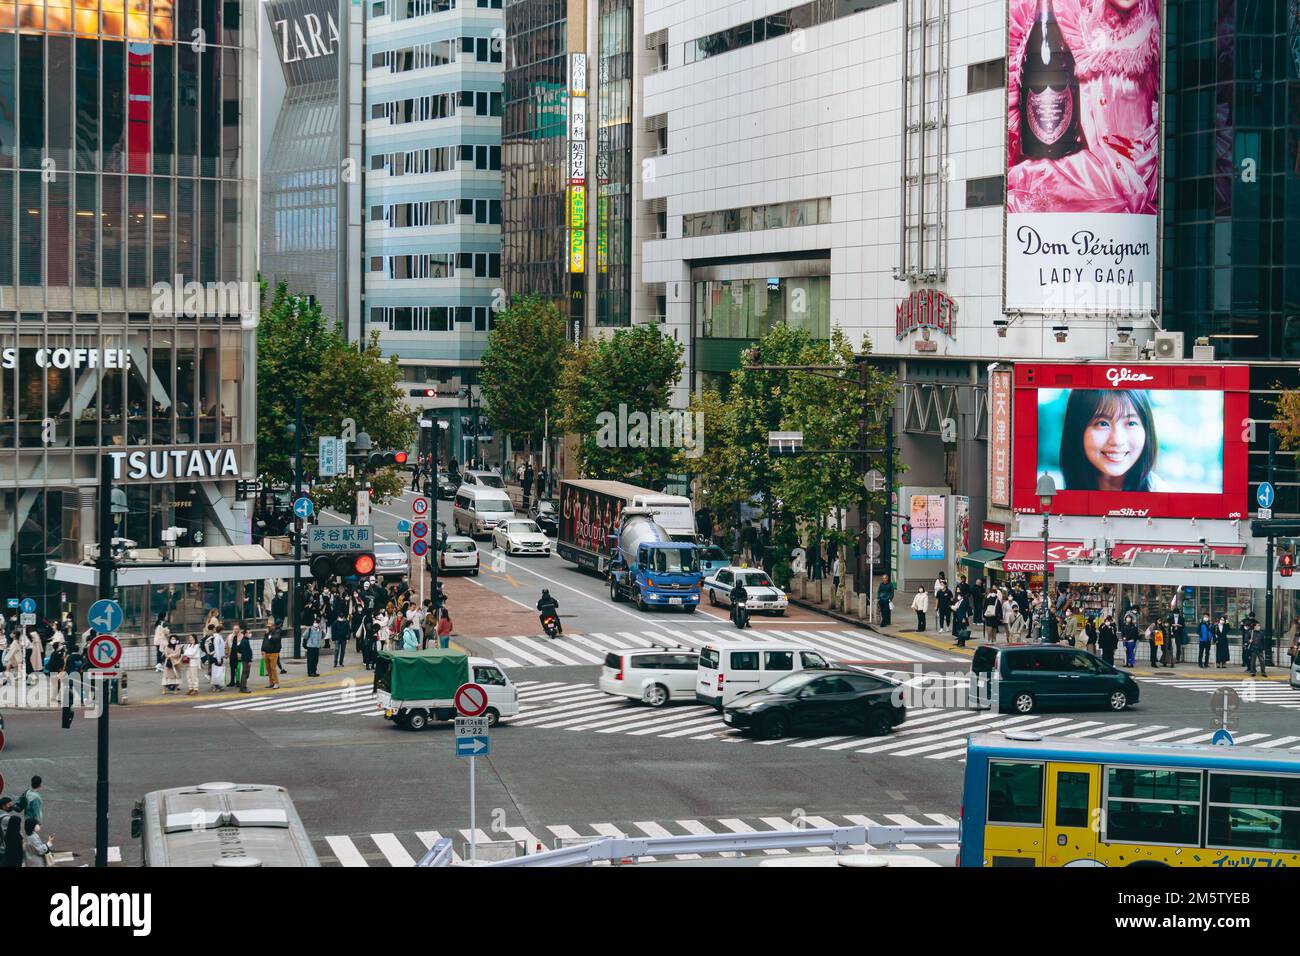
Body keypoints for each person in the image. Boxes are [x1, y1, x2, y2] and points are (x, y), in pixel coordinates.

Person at [1056, 389, 1159, 492]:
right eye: (1102, 424)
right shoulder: (1057, 499)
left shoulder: (1162, 500)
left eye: (1131, 423)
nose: (1117, 440)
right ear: (1076, 430)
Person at [262, 623, 282, 690]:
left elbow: (276, 639)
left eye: (269, 627)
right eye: (267, 626)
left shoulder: (277, 631)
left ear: (273, 626)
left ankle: (276, 683)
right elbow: (264, 641)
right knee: (268, 669)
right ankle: (271, 683)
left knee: (273, 668)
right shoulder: (267, 633)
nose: (268, 628)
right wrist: (262, 649)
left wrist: (270, 636)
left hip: (274, 653)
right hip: (267, 652)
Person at [207, 626, 226, 691]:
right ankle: (216, 686)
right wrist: (218, 659)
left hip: (218, 657)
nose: (223, 631)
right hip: (217, 657)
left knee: (217, 672)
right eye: (222, 630)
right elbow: (217, 649)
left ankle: (216, 685)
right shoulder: (217, 638)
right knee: (217, 672)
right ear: (220, 631)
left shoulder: (218, 637)